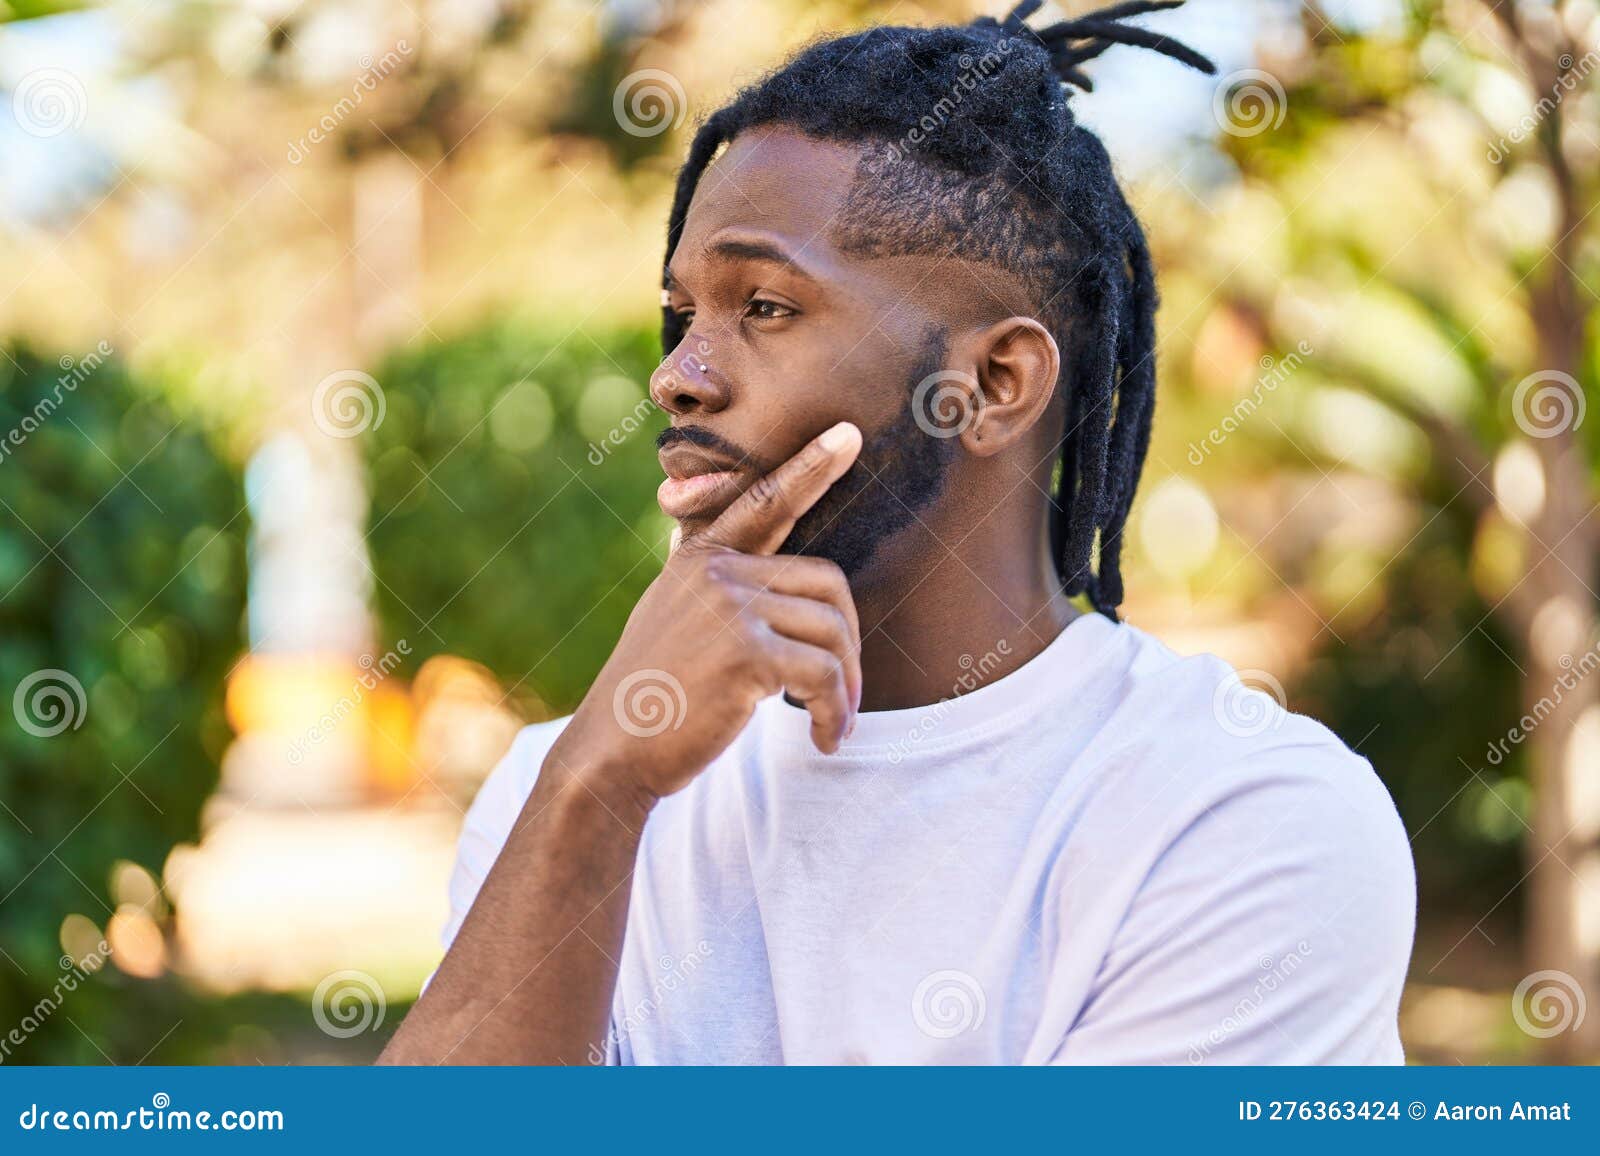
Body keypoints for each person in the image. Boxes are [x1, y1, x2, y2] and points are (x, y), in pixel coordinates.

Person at [381, 0, 1415, 1066]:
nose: (677, 374)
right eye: (683, 311)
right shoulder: (566, 789)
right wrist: (594, 791)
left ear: (991, 383)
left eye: (766, 306)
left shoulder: (1238, 820)